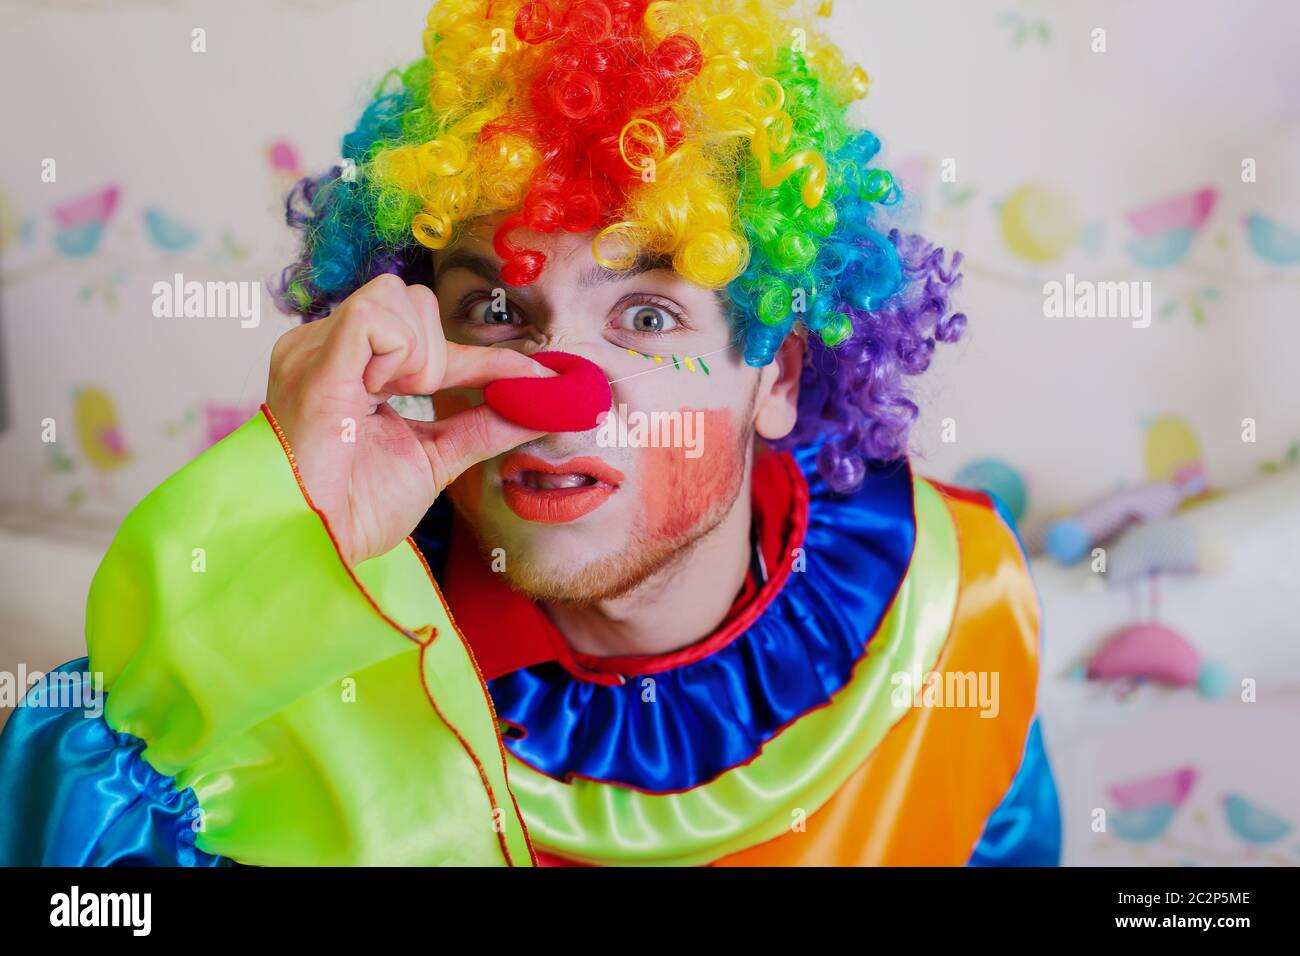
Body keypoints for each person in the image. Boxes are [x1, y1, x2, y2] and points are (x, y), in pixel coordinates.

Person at [0, 0, 1060, 866]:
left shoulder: (950, 608)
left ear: (774, 374)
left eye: (647, 317)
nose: (559, 389)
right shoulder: (295, 665)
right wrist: (275, 553)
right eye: (496, 310)